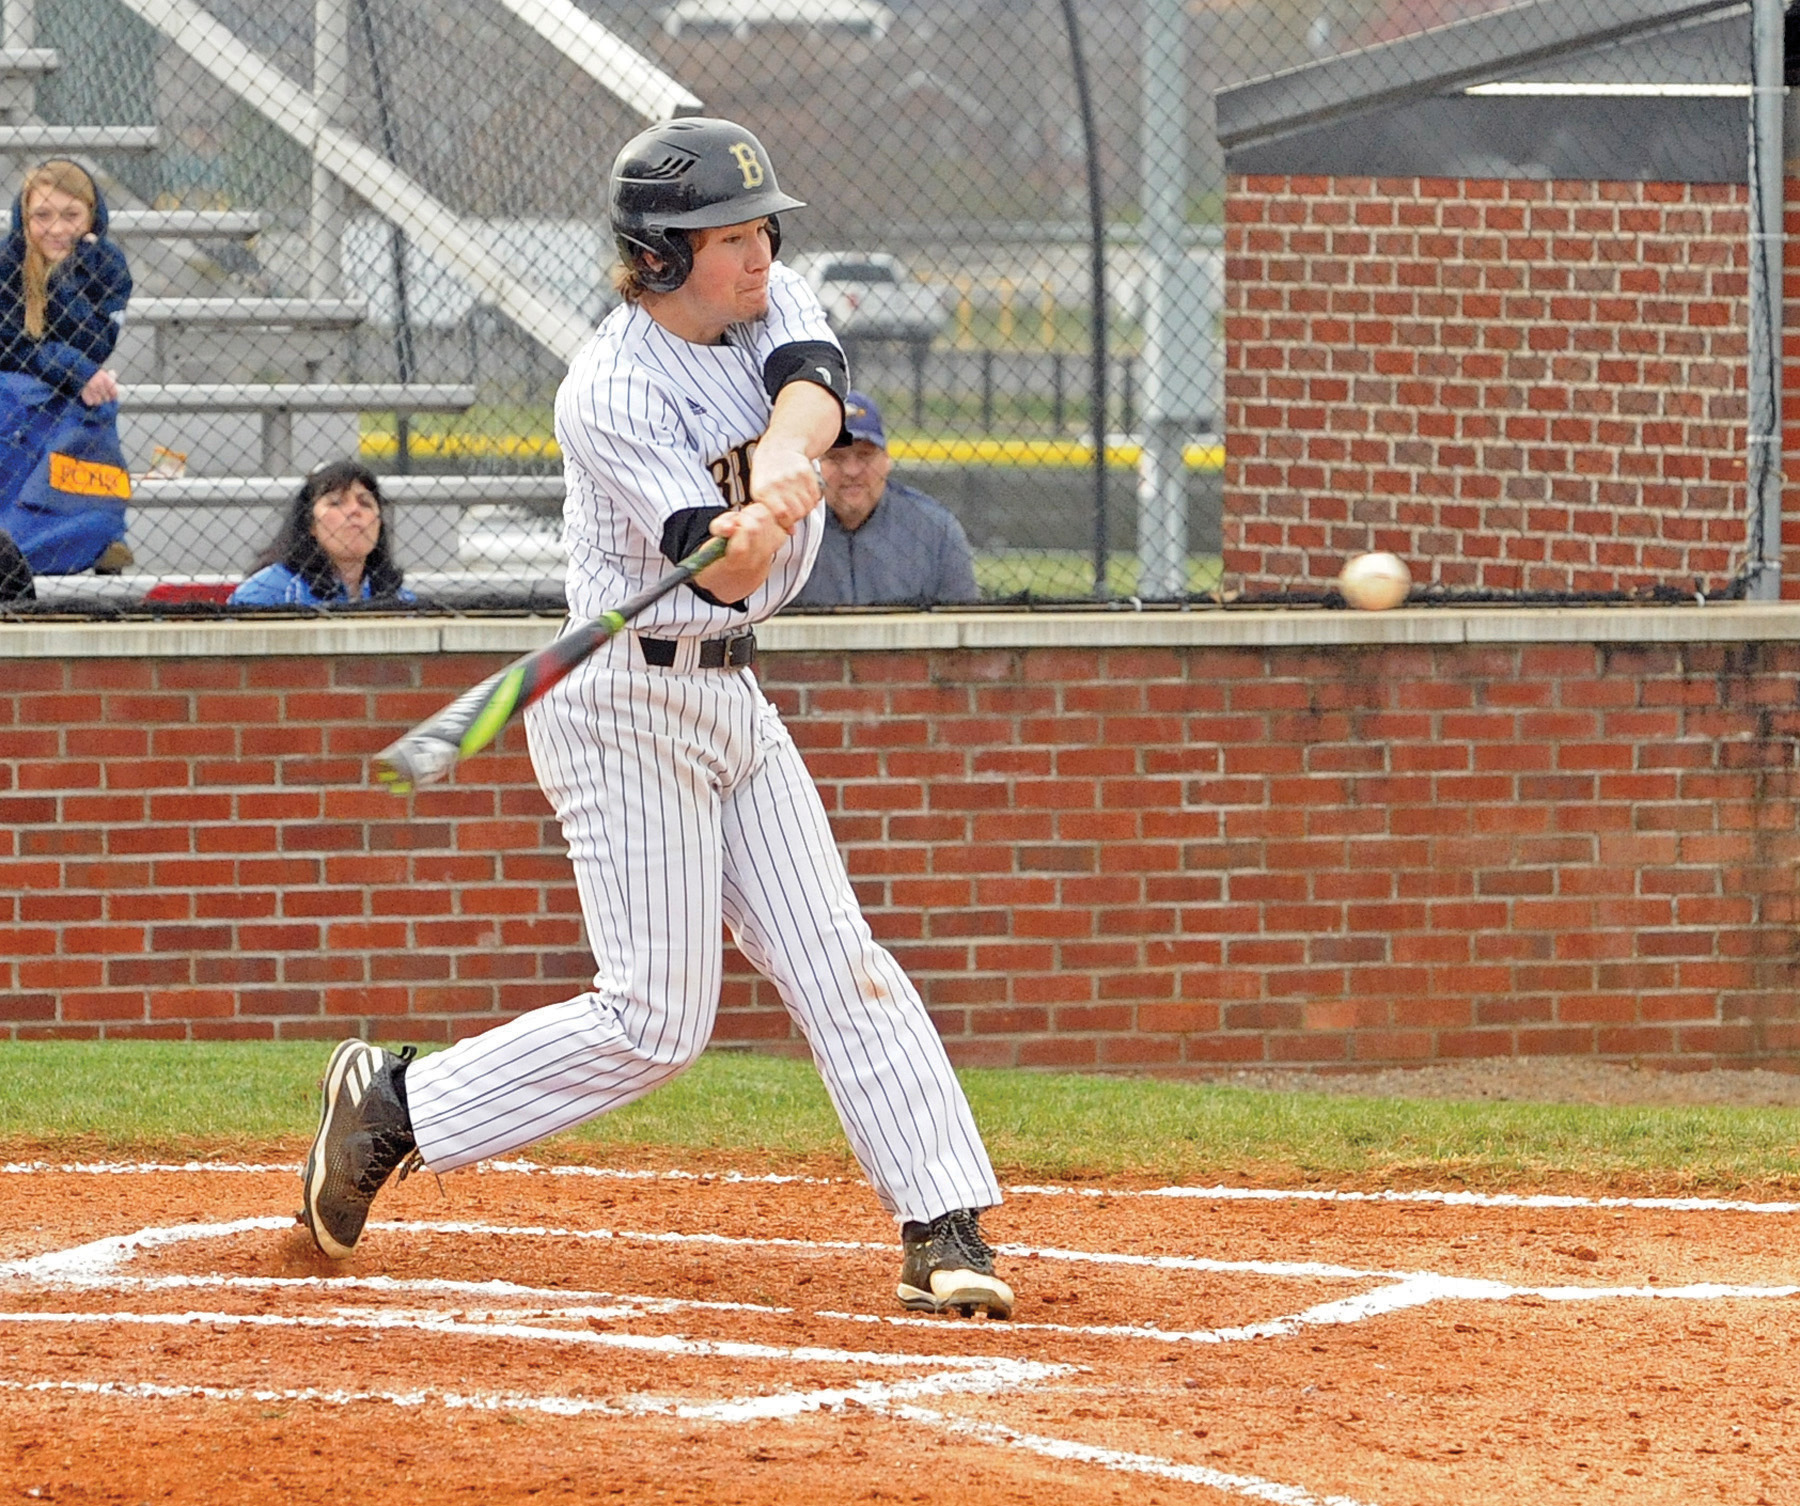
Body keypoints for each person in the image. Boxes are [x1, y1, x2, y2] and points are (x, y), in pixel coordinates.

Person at [296, 117, 1014, 1321]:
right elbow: (720, 575)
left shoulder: (775, 297)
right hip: (622, 703)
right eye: (728, 239)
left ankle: (943, 1222)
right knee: (658, 1021)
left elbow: (813, 388)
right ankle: (399, 1106)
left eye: (760, 231)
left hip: (733, 695)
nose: (757, 256)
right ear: (661, 256)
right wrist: (759, 528)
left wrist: (788, 455)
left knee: (841, 960)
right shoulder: (607, 393)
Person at [0, 159, 133, 573]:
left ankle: (92, 531)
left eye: (71, 215)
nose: (57, 229)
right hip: (11, 381)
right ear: (24, 218)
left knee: (99, 398)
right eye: (42, 215)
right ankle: (20, 538)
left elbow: (95, 344)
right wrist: (75, 370)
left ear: (91, 217)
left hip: (64, 384)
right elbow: (10, 347)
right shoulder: (6, 262)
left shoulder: (106, 264)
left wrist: (64, 280)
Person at [789, 390, 979, 607]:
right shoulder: (790, 530)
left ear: (887, 460)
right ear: (814, 463)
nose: (851, 470)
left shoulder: (936, 530)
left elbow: (962, 621)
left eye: (865, 455)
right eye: (835, 457)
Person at [229, 460, 415, 607]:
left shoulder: (401, 600)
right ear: (310, 523)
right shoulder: (265, 593)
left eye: (365, 503)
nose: (354, 511)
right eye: (336, 502)